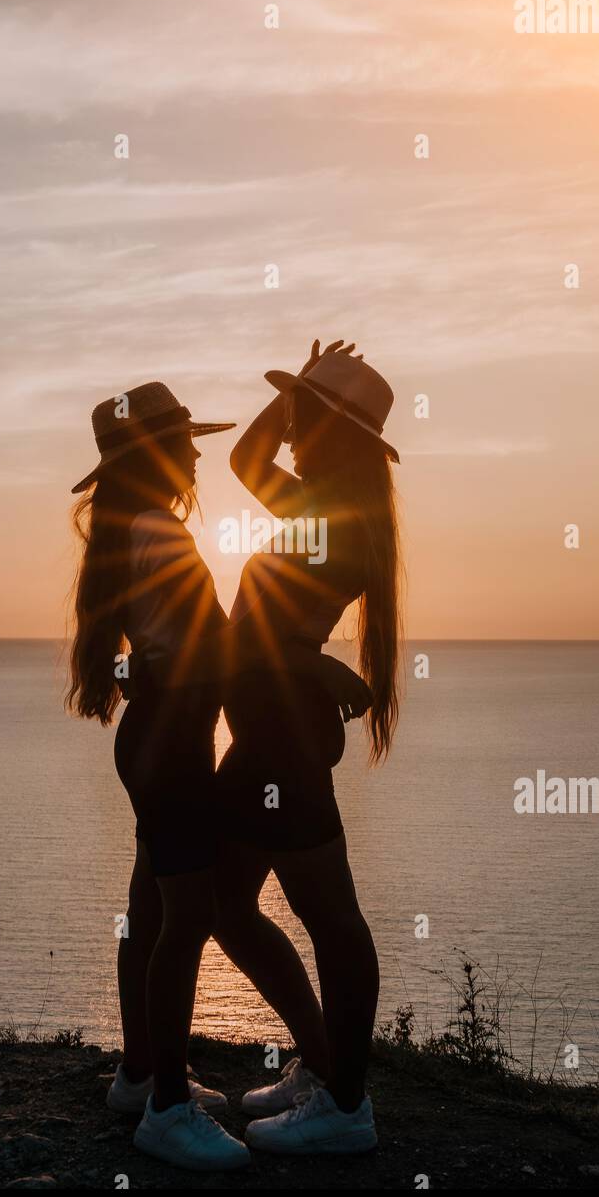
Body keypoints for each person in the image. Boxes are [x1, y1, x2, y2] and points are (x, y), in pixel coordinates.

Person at [66, 380, 369, 1170]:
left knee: (149, 908)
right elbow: (209, 651)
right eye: (183, 441)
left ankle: (140, 1075)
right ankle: (165, 1111)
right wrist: (315, 665)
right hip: (173, 746)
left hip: (158, 740)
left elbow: (173, 646)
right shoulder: (159, 534)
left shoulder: (129, 528)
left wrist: (300, 662)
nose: (195, 453)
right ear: (155, 454)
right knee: (186, 921)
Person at [212, 338, 402, 1155]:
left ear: (334, 432)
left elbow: (268, 638)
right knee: (259, 909)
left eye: (303, 420)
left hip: (279, 746)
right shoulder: (321, 508)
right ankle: (328, 1071)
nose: (288, 437)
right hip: (270, 736)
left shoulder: (333, 525)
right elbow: (247, 457)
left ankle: (346, 1101)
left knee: (325, 917)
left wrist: (307, 663)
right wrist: (295, 391)